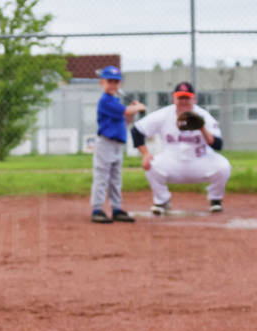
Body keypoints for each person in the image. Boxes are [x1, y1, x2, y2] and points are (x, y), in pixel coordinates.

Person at [131, 81, 231, 214]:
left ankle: (215, 199)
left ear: (193, 98)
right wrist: (145, 154)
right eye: (180, 97)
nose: (184, 101)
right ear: (174, 98)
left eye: (187, 97)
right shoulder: (164, 114)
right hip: (172, 161)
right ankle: (162, 201)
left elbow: (218, 145)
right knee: (151, 164)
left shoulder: (204, 116)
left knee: (223, 166)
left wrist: (201, 128)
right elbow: (137, 130)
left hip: (200, 160)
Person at [90, 65, 145, 223]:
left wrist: (133, 110)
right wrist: (136, 107)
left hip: (117, 145)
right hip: (105, 144)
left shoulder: (115, 101)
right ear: (102, 83)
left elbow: (126, 120)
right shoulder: (106, 101)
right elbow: (125, 112)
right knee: (102, 177)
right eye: (109, 81)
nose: (113, 85)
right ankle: (97, 209)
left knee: (115, 178)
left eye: (116, 82)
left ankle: (116, 208)